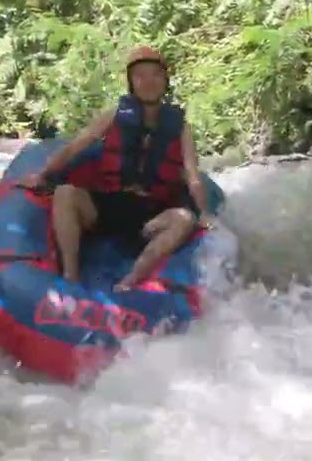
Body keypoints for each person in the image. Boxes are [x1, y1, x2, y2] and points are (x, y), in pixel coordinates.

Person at [18, 45, 216, 292]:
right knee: (65, 193)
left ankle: (131, 280)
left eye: (155, 74)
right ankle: (70, 275)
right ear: (131, 82)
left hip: (150, 215)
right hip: (111, 204)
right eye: (140, 75)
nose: (148, 81)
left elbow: (192, 176)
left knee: (184, 219)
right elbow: (74, 148)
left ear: (165, 81)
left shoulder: (181, 127)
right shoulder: (114, 116)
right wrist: (43, 174)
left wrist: (205, 212)